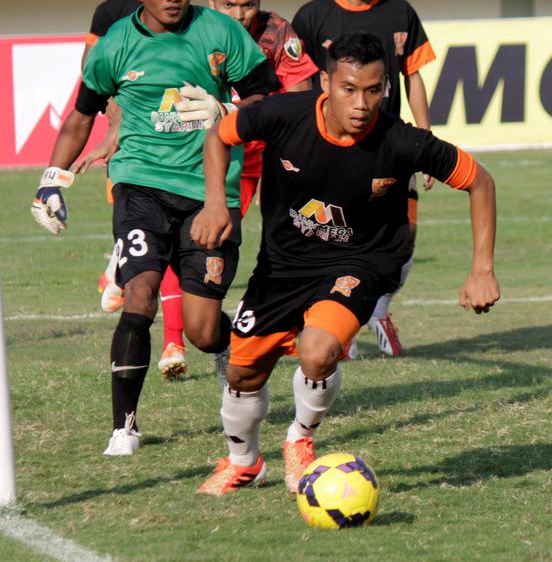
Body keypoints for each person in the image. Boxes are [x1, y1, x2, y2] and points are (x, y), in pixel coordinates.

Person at [191, 32, 499, 495]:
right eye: (349, 89)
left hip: (361, 262)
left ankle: (300, 439)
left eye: (373, 90)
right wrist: (216, 202)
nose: (361, 104)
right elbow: (219, 135)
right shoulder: (281, 115)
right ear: (325, 82)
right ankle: (244, 462)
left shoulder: (401, 140)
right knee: (242, 371)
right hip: (282, 265)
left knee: (317, 352)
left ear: (386, 88)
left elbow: (480, 181)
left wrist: (482, 269)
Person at [31, 0, 279, 456]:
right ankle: (123, 427)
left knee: (201, 330)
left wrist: (227, 110)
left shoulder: (222, 32)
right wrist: (51, 178)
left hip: (211, 194)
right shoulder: (115, 44)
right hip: (140, 183)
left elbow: (270, 99)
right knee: (140, 295)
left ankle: (227, 347)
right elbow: (81, 116)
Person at [292, 0, 437, 356]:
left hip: (390, 147)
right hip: (333, 148)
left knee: (404, 237)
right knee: (334, 236)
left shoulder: (400, 11)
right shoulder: (313, 17)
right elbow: (299, 84)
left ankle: (379, 310)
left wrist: (425, 139)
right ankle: (337, 321)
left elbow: (413, 77)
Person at [75, 0, 191, 380]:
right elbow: (94, 77)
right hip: (133, 147)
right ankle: (171, 337)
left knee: (163, 246)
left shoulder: (188, 19)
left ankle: (120, 270)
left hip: (184, 149)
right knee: (149, 236)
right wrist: (114, 127)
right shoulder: (111, 14)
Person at [208, 0, 318, 217]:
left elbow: (301, 104)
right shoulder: (197, 32)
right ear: (212, 2)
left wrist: (278, 161)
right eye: (229, 5)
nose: (239, 16)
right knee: (204, 230)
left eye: (248, 5)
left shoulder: (277, 32)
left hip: (259, 153)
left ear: (259, 0)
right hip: (208, 148)